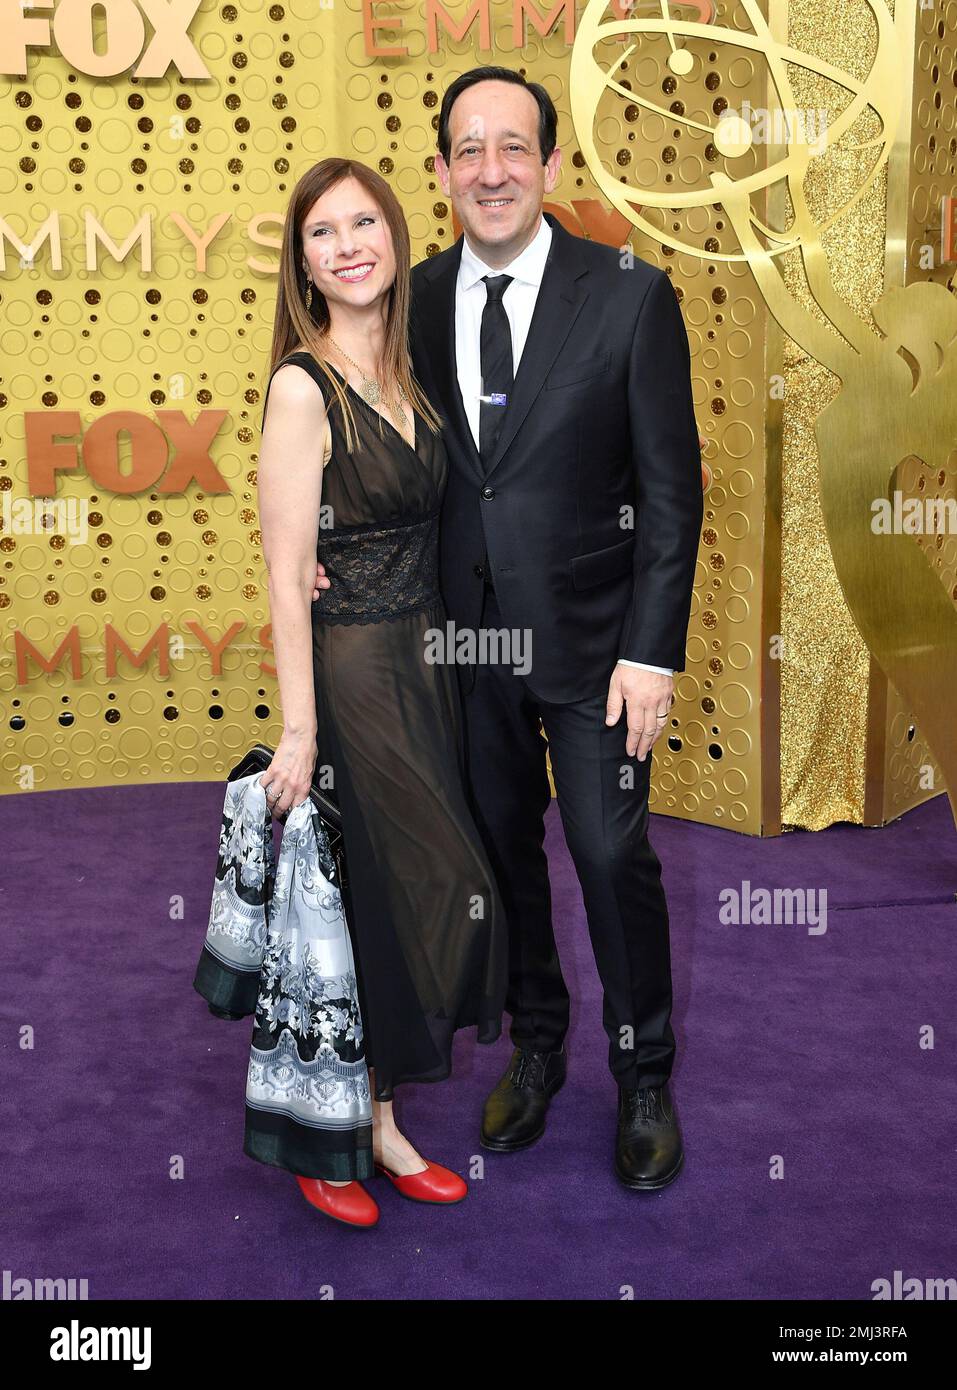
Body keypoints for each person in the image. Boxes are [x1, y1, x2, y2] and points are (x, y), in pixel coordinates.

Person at [316, 67, 703, 1191]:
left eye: (514, 148)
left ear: (549, 165)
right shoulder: (412, 298)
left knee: (609, 852)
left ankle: (643, 1075)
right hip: (463, 652)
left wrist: (653, 649)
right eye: (468, 151)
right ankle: (536, 1048)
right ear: (440, 173)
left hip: (596, 653)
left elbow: (673, 496)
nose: (491, 170)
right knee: (500, 862)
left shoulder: (631, 296)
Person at [257, 156, 508, 1227]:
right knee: (408, 890)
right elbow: (281, 570)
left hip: (430, 661)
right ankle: (345, 1130)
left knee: (400, 898)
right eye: (323, 232)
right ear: (303, 263)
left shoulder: (416, 368)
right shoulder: (300, 385)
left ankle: (373, 1116)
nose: (348, 243)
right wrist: (300, 726)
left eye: (365, 221)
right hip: (355, 669)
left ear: (397, 237)